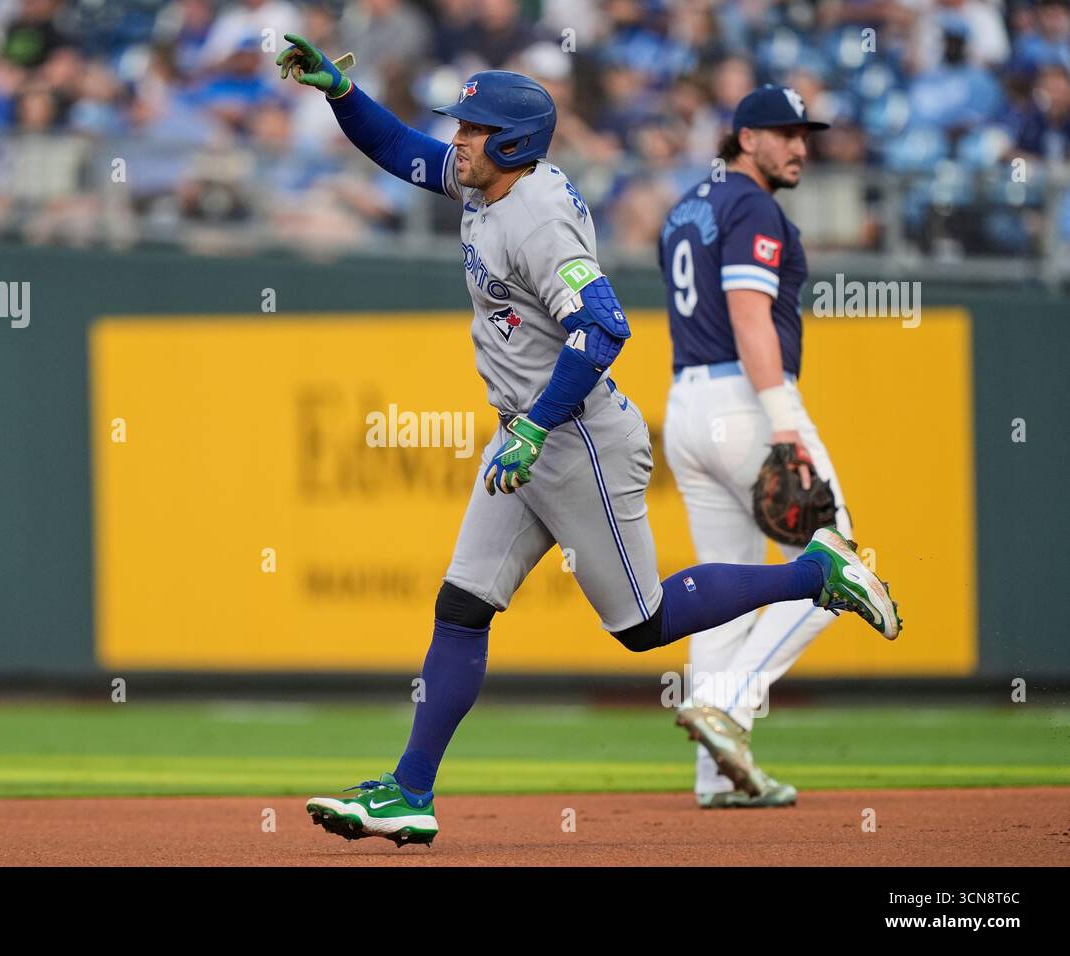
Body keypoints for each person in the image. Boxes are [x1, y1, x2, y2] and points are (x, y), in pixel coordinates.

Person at [275, 38, 901, 845]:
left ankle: (816, 570)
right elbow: (399, 149)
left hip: (575, 438)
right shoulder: (487, 186)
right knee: (462, 607)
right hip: (526, 436)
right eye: (461, 126)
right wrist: (339, 92)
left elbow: (605, 326)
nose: (457, 140)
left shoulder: (534, 217)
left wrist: (536, 426)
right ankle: (409, 791)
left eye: (473, 128)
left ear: (512, 144)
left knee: (642, 625)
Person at [658, 85, 894, 809]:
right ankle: (728, 703)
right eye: (783, 132)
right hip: (744, 402)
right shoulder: (754, 205)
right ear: (745, 137)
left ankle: (714, 775)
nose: (799, 146)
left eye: (805, 134)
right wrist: (784, 423)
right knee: (838, 561)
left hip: (686, 407)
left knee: (724, 596)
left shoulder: (687, 204)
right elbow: (750, 315)